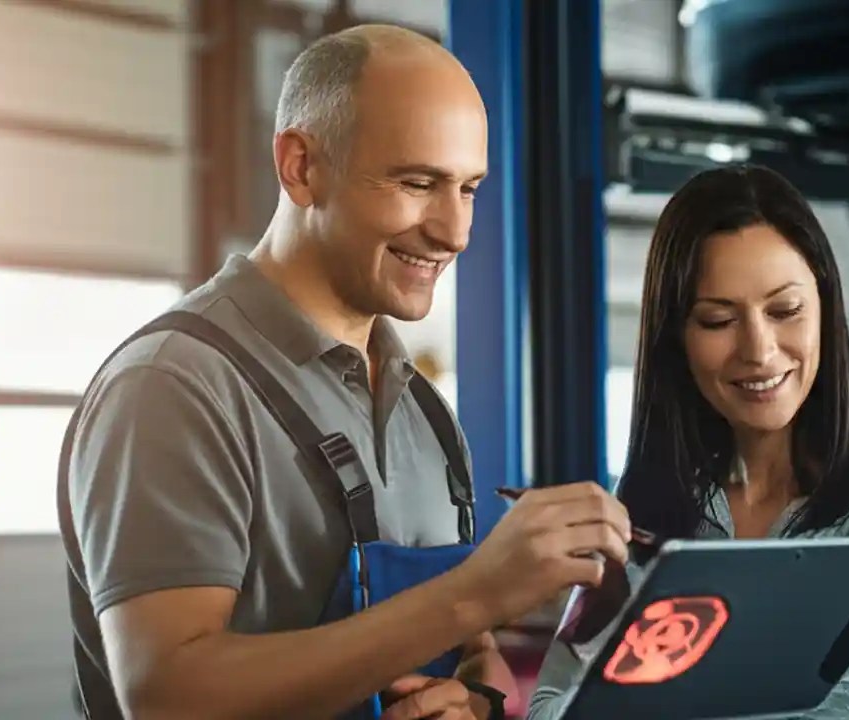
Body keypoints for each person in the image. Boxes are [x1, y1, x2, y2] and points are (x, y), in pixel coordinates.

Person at [57, 25, 632, 720]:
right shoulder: (173, 389)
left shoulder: (425, 414)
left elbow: (466, 650)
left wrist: (472, 701)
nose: (454, 231)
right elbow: (166, 695)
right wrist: (480, 589)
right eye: (418, 183)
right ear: (301, 166)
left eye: (469, 189)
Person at [525, 164, 849, 720]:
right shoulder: (652, 507)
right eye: (717, 320)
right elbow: (548, 707)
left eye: (785, 311)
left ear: (826, 308)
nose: (758, 350)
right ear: (676, 339)